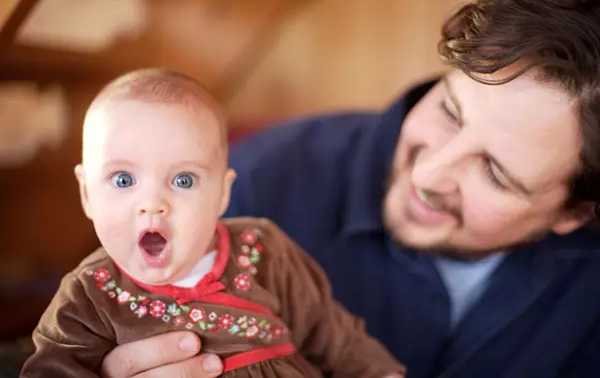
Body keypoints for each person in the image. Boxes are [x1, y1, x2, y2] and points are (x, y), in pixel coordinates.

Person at [97, 0, 600, 377]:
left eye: (495, 173)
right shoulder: (252, 186)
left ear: (574, 213)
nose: (428, 173)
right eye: (449, 111)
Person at [20, 69, 406, 378]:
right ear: (87, 194)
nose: (152, 204)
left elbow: (331, 331)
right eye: (123, 180)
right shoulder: (89, 295)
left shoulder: (262, 248)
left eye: (183, 180)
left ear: (222, 194)